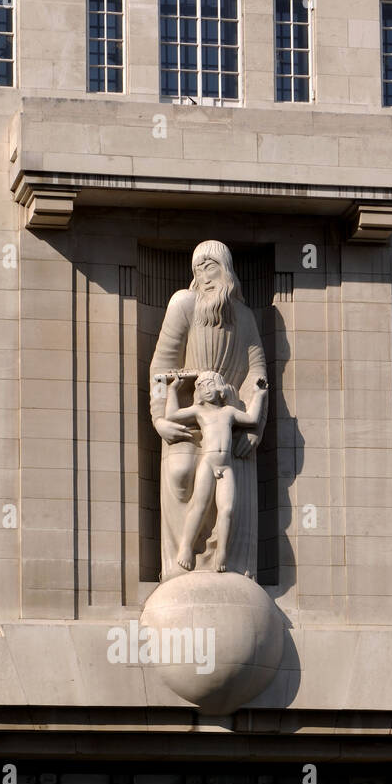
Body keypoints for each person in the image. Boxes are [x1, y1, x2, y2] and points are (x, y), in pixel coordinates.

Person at [149, 241, 268, 579]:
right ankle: (181, 562)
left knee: (228, 504)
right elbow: (161, 367)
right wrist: (159, 417)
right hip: (189, 415)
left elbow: (257, 373)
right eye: (197, 269)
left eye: (210, 265)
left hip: (231, 425)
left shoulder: (244, 317)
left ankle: (227, 563)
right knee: (180, 474)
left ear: (226, 268)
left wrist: (256, 429)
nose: (203, 275)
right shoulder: (183, 304)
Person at [159, 370, 268, 572]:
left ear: (220, 389)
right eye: (201, 386)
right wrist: (173, 389)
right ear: (198, 392)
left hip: (226, 465)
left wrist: (259, 394)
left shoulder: (228, 412)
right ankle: (185, 547)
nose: (206, 389)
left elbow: (252, 419)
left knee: (227, 510)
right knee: (199, 506)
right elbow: (172, 415)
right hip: (209, 463)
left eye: (210, 384)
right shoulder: (199, 411)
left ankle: (222, 552)